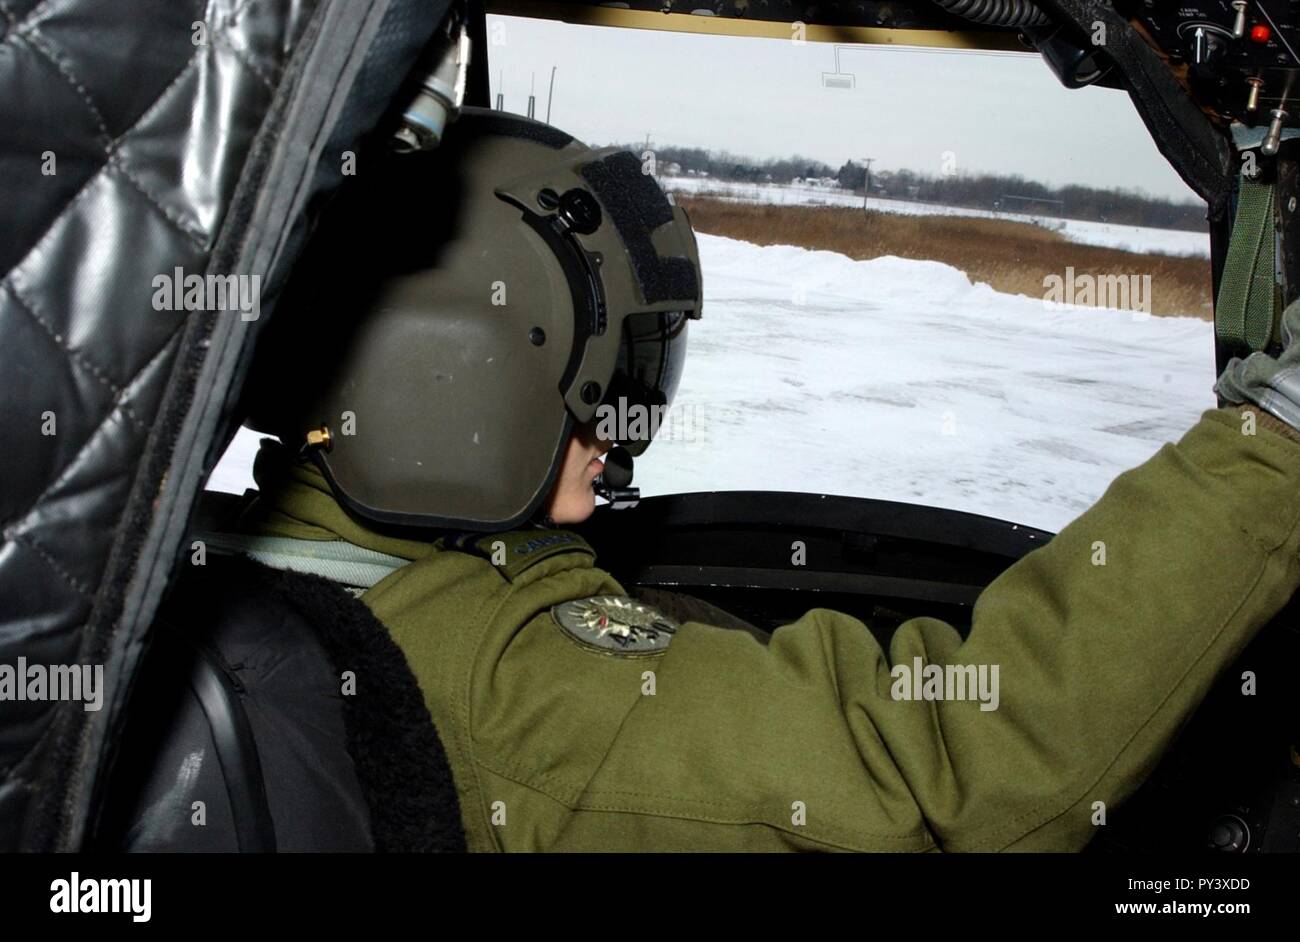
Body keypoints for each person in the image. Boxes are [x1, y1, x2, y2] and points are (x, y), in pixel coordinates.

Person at [228, 107, 1300, 852]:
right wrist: (1274, 443)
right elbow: (947, 783)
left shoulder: (214, 566)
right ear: (450, 377)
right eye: (602, 377)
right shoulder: (510, 686)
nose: (622, 421)